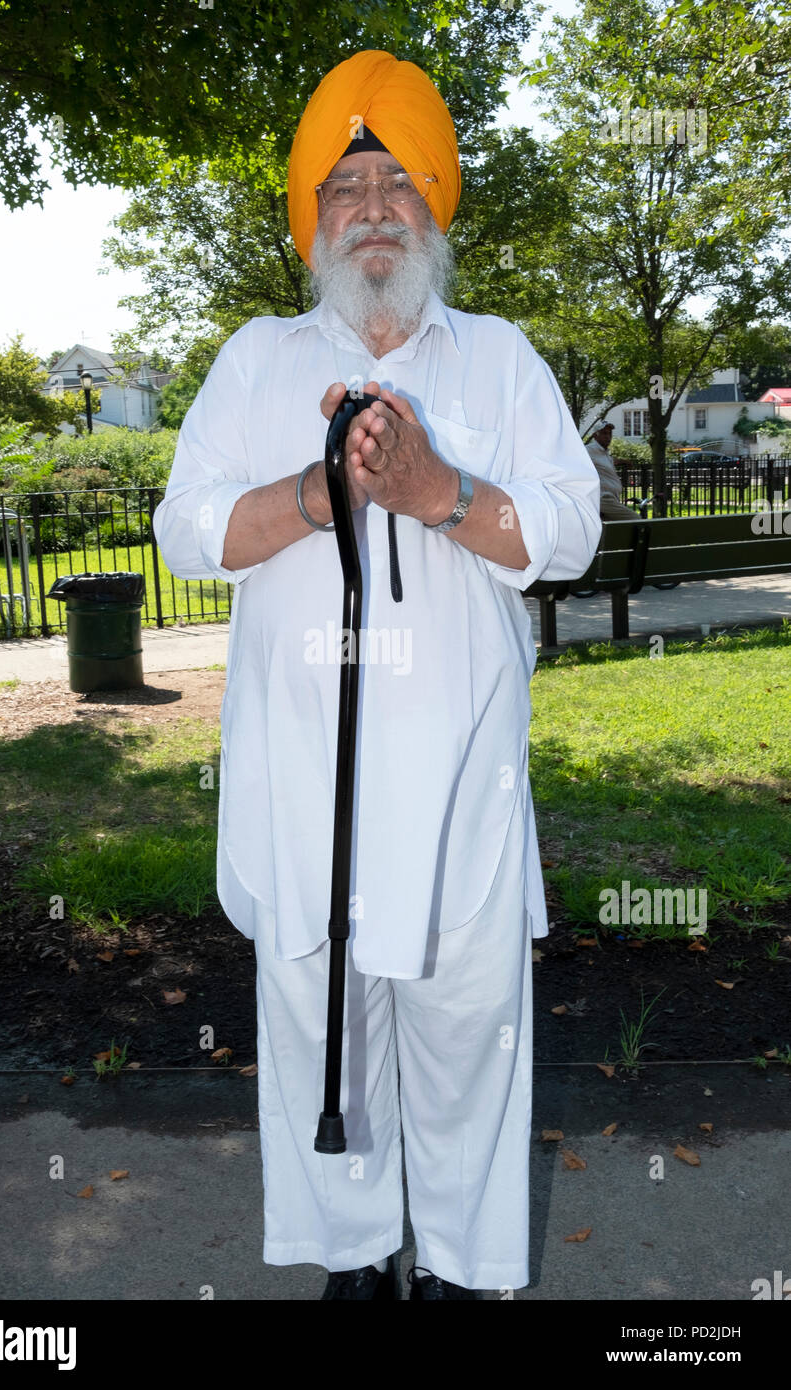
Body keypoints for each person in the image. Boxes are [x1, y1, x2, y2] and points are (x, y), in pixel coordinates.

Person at [152, 48, 602, 1300]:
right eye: (343, 186)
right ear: (313, 220)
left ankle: (460, 1270)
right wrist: (316, 492)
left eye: (396, 181)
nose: (369, 207)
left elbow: (566, 534)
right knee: (322, 1048)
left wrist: (431, 490)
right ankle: (354, 1262)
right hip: (307, 792)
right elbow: (183, 533)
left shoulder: (500, 360)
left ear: (433, 208)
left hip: (458, 791)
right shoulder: (255, 359)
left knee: (466, 1046)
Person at [585, 422, 640, 519]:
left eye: (610, 434)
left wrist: (622, 461)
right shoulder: (588, 450)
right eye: (604, 433)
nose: (608, 437)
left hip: (612, 499)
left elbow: (608, 461)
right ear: (595, 435)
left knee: (611, 531)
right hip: (603, 498)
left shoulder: (604, 453)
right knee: (635, 519)